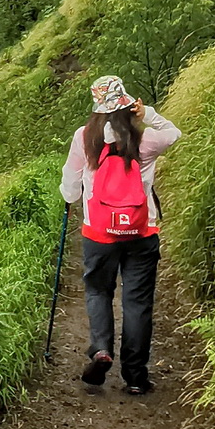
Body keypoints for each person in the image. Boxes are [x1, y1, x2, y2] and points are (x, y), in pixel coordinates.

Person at [60, 76, 181, 394]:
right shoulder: (145, 138)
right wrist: (148, 114)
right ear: (126, 103)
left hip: (99, 232)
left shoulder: (85, 136)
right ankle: (136, 377)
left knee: (99, 291)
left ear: (97, 108)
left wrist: (70, 196)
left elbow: (71, 184)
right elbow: (174, 133)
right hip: (141, 230)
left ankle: (101, 349)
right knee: (137, 302)